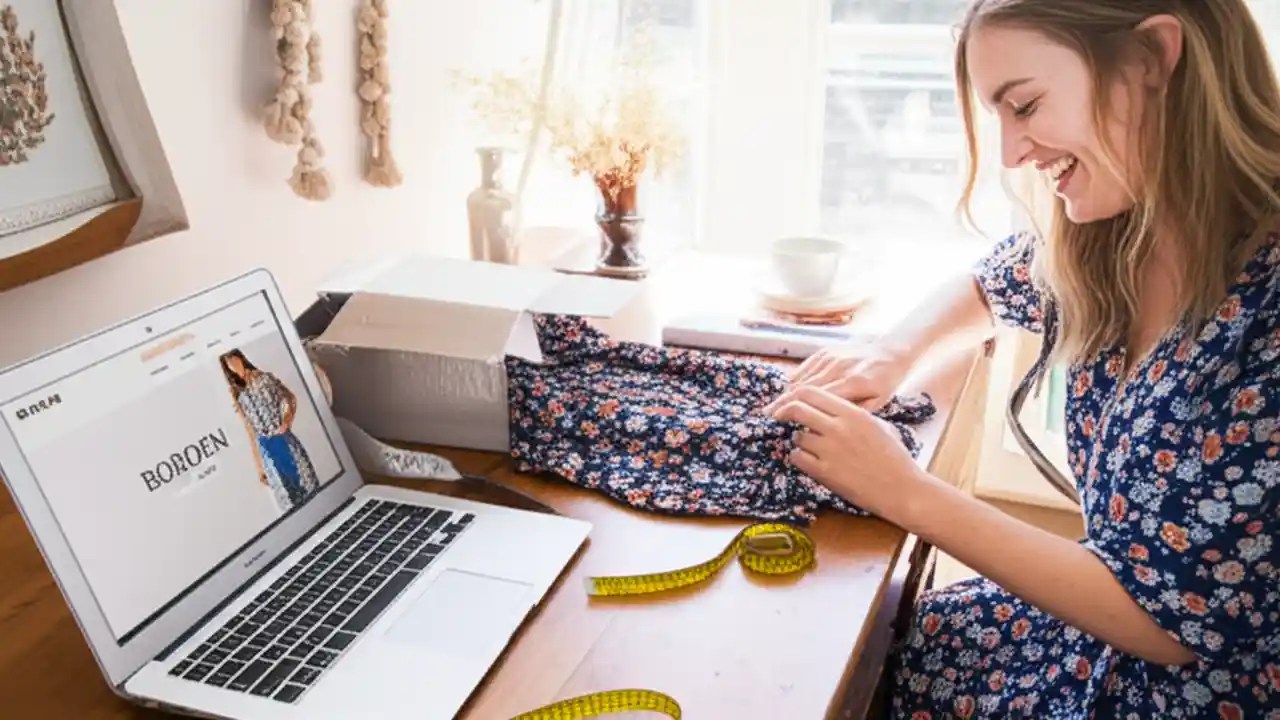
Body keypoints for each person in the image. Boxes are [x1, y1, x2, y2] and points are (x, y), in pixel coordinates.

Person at [765, 0, 1280, 717]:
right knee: (870, 644)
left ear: (1152, 59)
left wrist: (906, 492)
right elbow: (994, 279)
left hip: (1184, 690)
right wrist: (891, 351)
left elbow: (1167, 625)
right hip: (1102, 643)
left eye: (1026, 105)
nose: (1011, 153)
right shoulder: (1122, 230)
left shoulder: (1267, 312)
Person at [219, 349, 319, 512]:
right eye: (227, 363)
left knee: (305, 484)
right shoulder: (236, 392)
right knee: (287, 498)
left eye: (232, 359)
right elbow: (249, 429)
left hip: (282, 439)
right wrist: (259, 465)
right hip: (265, 446)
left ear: (240, 357)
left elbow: (289, 397)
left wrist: (287, 420)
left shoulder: (264, 378)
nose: (232, 365)